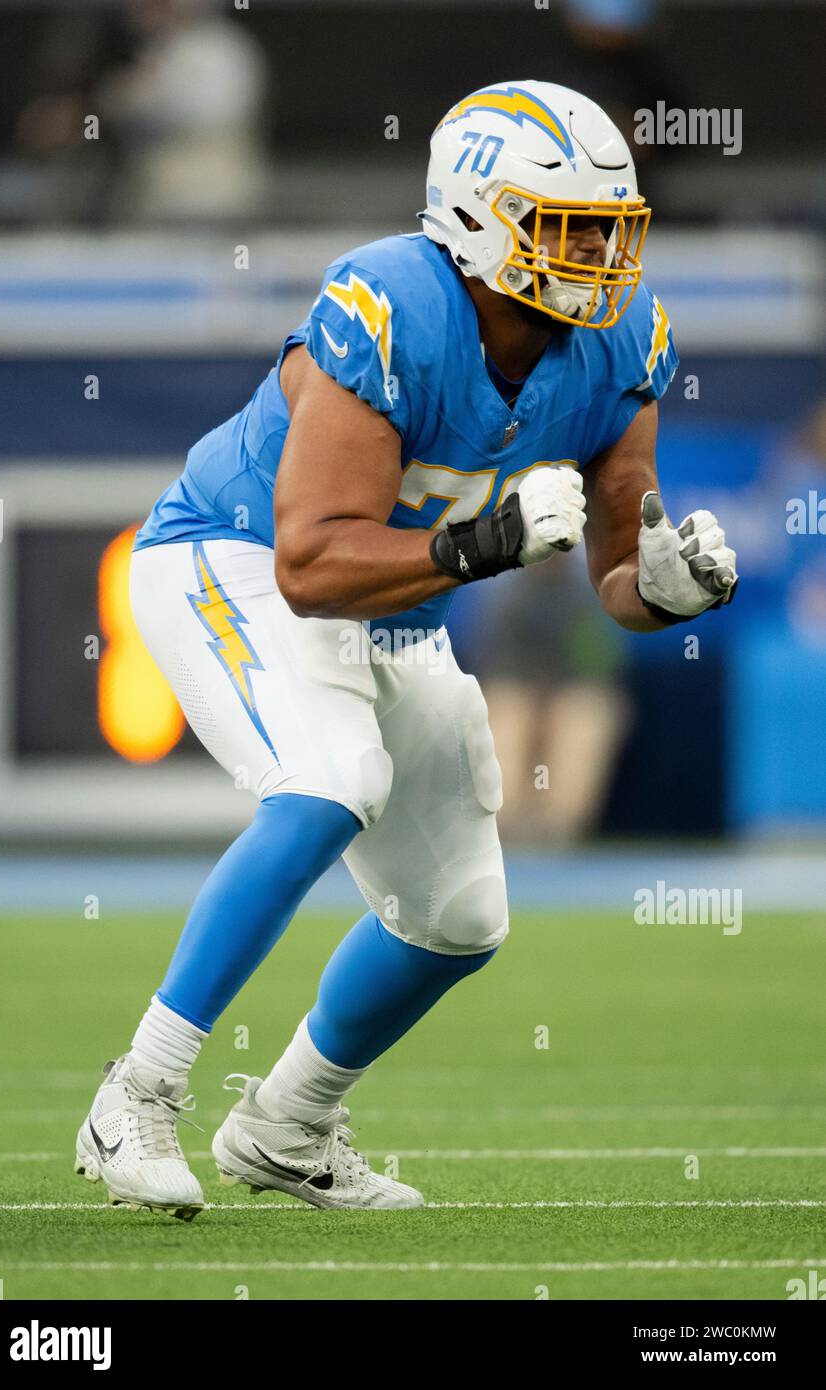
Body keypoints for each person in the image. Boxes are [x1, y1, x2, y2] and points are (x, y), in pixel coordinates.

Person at [76, 81, 737, 1217]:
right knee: (329, 783)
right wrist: (478, 543)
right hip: (227, 562)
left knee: (460, 914)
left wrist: (665, 590)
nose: (596, 256)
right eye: (566, 224)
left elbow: (617, 576)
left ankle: (284, 1125)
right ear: (479, 216)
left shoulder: (620, 339)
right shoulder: (390, 304)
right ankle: (135, 1092)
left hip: (398, 609)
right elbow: (310, 561)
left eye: (607, 230)